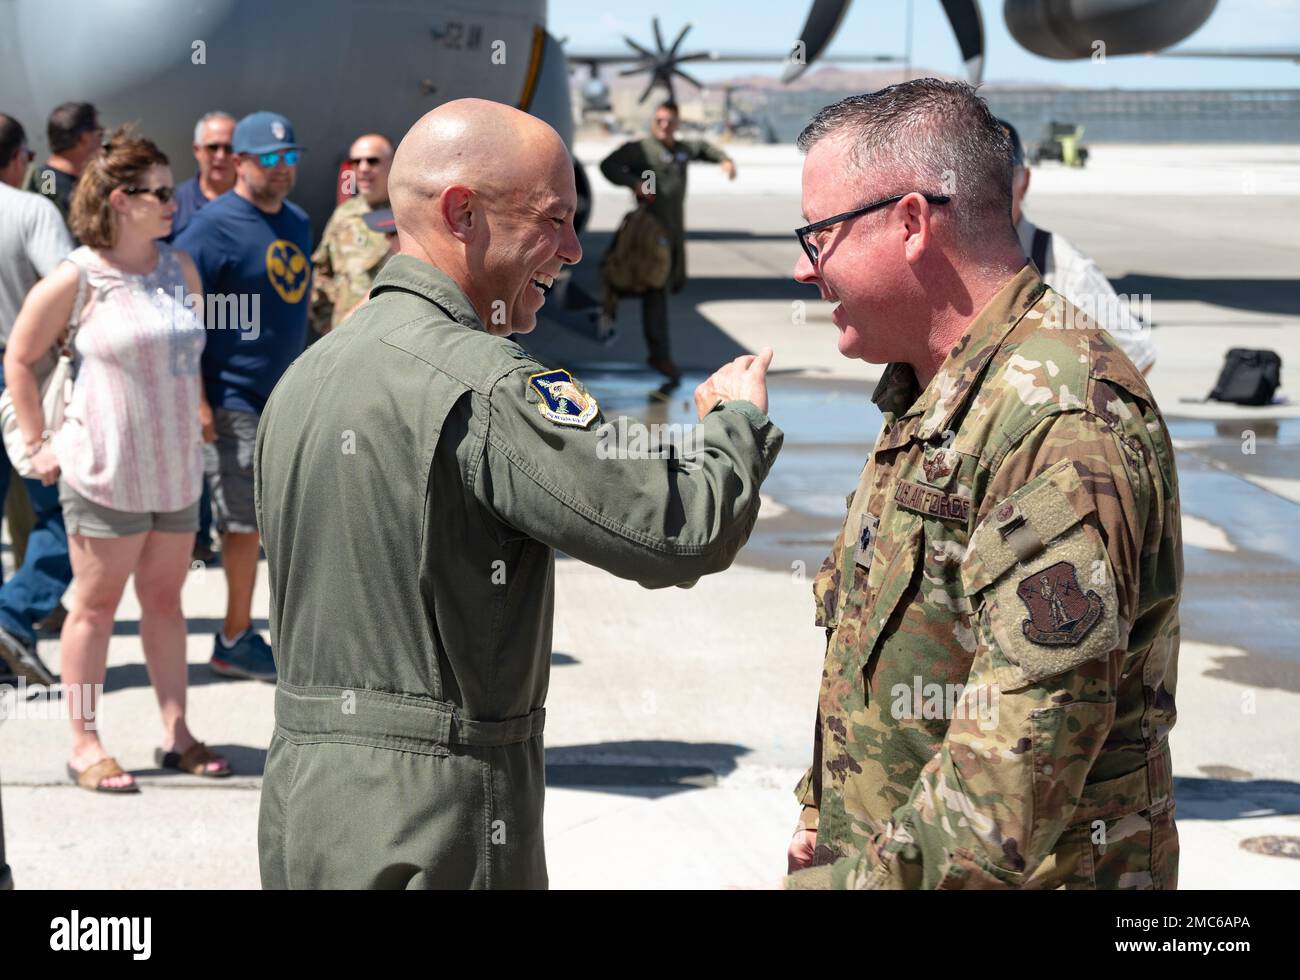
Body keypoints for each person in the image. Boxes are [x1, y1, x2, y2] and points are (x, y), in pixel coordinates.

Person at [255, 98, 782, 889]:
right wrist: (733, 426)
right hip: (435, 826)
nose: (573, 250)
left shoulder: (307, 377)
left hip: (304, 813)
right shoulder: (490, 386)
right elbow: (677, 532)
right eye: (553, 220)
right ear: (462, 213)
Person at [784, 80, 1181, 889]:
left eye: (819, 234)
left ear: (911, 224)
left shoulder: (1057, 418)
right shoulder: (937, 389)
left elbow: (1020, 758)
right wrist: (827, 812)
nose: (802, 268)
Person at [6, 128, 229, 793]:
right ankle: (83, 741)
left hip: (174, 471)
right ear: (116, 198)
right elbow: (20, 358)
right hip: (102, 470)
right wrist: (41, 444)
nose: (171, 202)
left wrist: (196, 415)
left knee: (165, 603)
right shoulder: (77, 276)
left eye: (169, 191)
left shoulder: (177, 268)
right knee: (93, 610)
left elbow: (187, 355)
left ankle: (175, 731)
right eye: (158, 192)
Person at [173, 111, 312, 684]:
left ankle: (266, 632)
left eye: (290, 158)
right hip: (232, 395)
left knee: (282, 521)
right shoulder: (212, 227)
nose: (283, 170)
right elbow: (180, 316)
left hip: (287, 396)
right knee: (242, 525)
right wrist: (198, 400)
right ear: (240, 162)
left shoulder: (298, 221)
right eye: (271, 160)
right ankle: (234, 637)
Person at [0, 115, 76, 686]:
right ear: (20, 158)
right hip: (22, 373)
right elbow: (66, 290)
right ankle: (14, 614)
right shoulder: (31, 210)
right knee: (63, 511)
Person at [1002, 119, 1156, 374]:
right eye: (978, 177)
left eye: (1002, 177)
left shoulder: (1065, 267)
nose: (989, 192)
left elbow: (1136, 357)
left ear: (1024, 182)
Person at [599, 101, 736, 383]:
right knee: (656, 289)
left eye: (670, 121)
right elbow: (608, 165)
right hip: (650, 233)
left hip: (673, 232)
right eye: (660, 120)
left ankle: (656, 349)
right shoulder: (642, 149)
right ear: (653, 122)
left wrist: (725, 160)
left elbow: (704, 148)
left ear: (677, 123)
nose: (664, 125)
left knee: (669, 283)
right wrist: (633, 183)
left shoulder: (682, 150)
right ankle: (660, 354)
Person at [309, 133, 394, 337]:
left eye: (372, 161)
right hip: (344, 337)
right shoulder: (344, 215)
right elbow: (322, 271)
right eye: (356, 162)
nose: (363, 168)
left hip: (390, 338)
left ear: (392, 164)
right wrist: (327, 326)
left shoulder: (408, 214)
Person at [21, 102, 102, 225]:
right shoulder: (47, 177)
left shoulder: (82, 177)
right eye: (99, 134)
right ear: (84, 138)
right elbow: (51, 222)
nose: (101, 141)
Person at [166, 111, 237, 241]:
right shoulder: (173, 204)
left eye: (229, 149)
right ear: (197, 150)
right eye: (213, 147)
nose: (220, 156)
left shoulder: (256, 202)